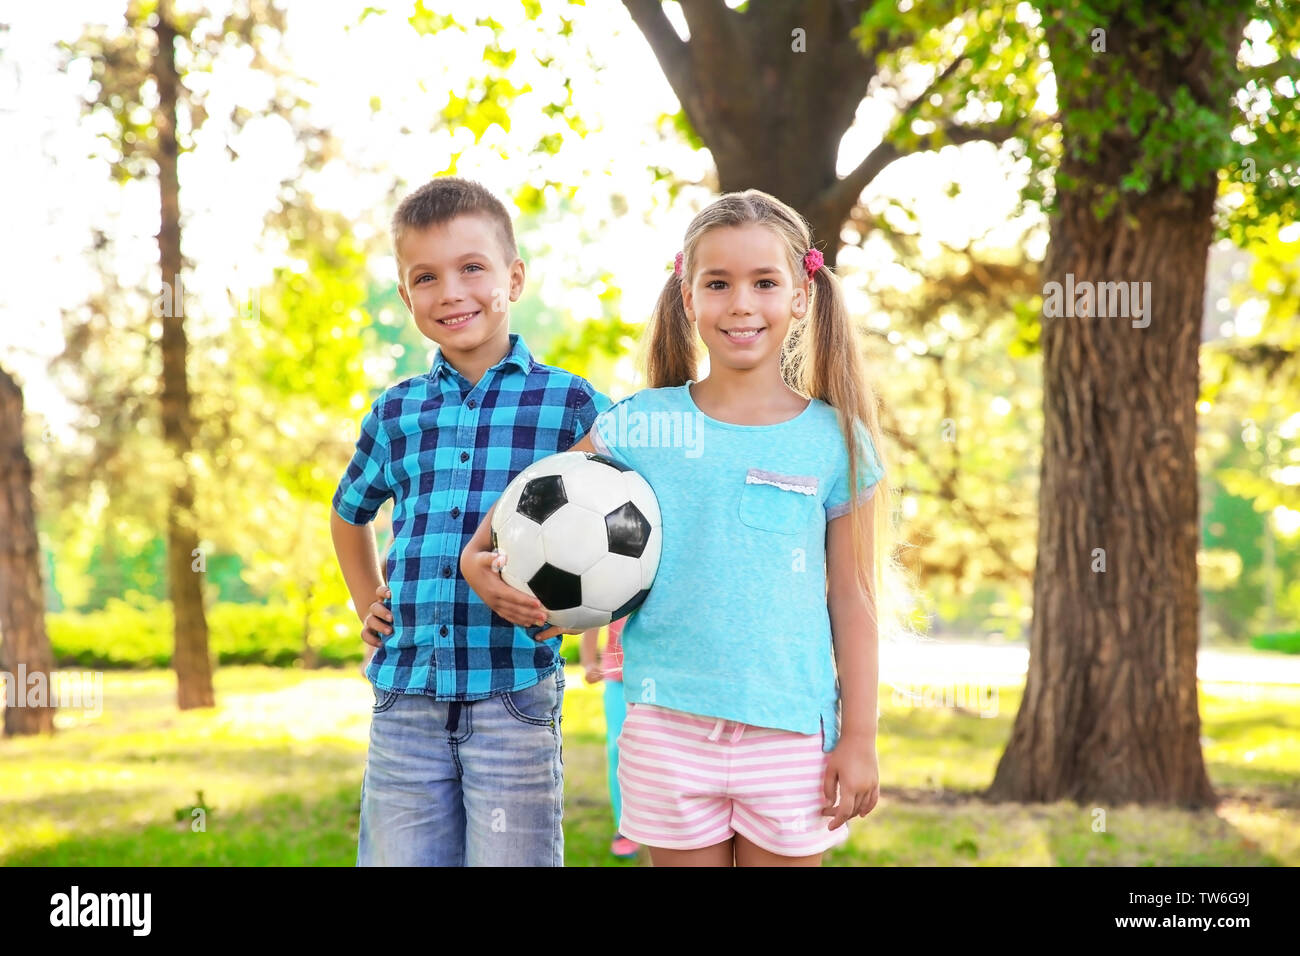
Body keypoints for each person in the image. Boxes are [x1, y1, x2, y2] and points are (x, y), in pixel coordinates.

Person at [463, 188, 896, 867]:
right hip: (666, 729)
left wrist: (860, 738)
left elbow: (855, 597)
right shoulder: (643, 423)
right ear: (689, 299)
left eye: (764, 283)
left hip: (790, 735)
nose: (741, 304)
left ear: (801, 296)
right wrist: (475, 558)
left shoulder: (834, 441)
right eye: (717, 284)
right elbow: (536, 495)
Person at [330, 176, 606, 866]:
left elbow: (624, 508)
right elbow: (347, 514)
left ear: (513, 278)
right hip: (405, 699)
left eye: (472, 268)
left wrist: (591, 612)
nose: (451, 292)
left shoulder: (570, 404)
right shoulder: (397, 411)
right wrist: (368, 602)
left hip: (513, 692)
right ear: (406, 296)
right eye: (426, 277)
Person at [579, 617, 640, 859]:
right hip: (616, 676)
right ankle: (624, 827)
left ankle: (663, 820)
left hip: (654, 676)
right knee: (618, 749)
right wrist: (587, 664)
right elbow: (593, 614)